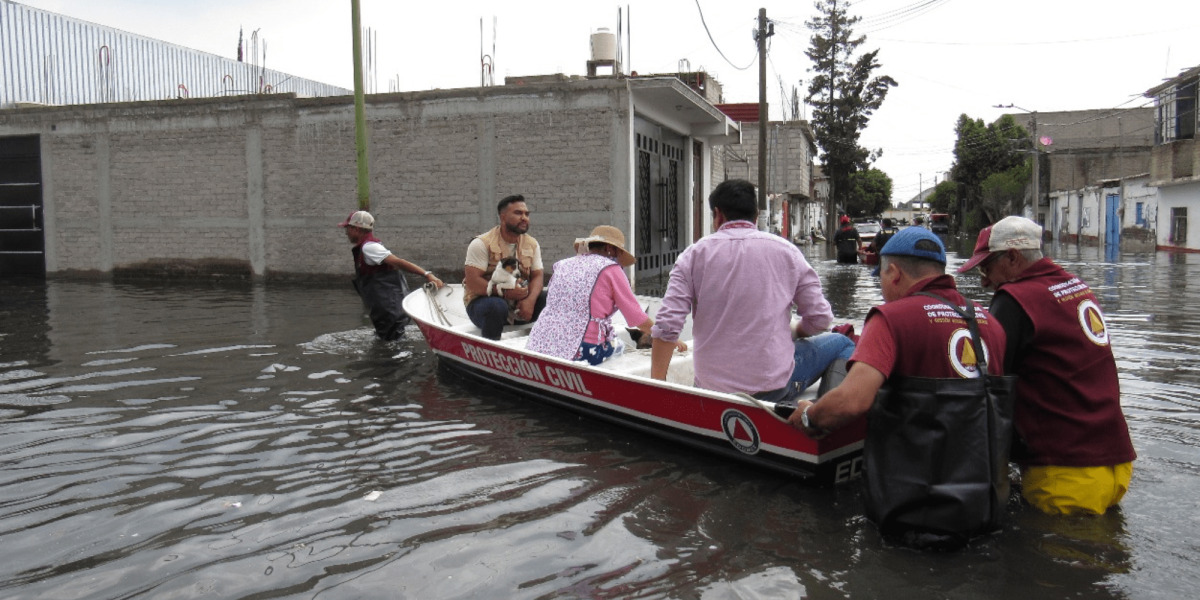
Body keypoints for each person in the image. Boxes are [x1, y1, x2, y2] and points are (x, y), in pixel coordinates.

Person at [789, 227, 1010, 546]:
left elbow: (852, 401)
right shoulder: (988, 322)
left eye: (880, 277)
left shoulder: (891, 319)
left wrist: (810, 417)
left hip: (914, 516)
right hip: (984, 510)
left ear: (893, 272)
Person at [957, 216, 1136, 516]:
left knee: (1055, 555)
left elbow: (989, 382)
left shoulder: (1015, 299)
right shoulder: (1076, 287)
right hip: (1115, 459)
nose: (984, 281)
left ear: (1012, 257)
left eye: (986, 267)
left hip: (1065, 473)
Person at [650, 179, 841, 403]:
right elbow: (820, 318)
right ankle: (826, 412)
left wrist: (656, 389)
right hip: (773, 390)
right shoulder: (788, 252)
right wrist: (799, 330)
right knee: (842, 342)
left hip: (711, 389)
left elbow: (666, 327)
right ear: (756, 216)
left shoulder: (692, 256)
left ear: (718, 214)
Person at [527, 225, 686, 364]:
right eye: (617, 252)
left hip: (540, 342)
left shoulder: (562, 265)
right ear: (610, 249)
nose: (617, 258)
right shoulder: (611, 269)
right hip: (582, 350)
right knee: (620, 346)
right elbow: (637, 318)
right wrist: (668, 338)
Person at [339, 210, 444, 341]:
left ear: (356, 229)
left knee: (392, 346)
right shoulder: (368, 247)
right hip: (387, 309)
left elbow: (398, 262)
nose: (346, 233)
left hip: (389, 310)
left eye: (347, 229)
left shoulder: (369, 248)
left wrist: (427, 274)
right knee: (390, 341)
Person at [463, 194, 547, 340]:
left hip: (519, 303)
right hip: (484, 303)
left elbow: (538, 275)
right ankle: (490, 350)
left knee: (552, 296)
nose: (524, 218)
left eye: (527, 214)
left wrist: (530, 300)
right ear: (502, 218)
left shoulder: (532, 244)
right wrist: (505, 293)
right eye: (518, 213)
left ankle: (543, 347)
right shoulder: (481, 243)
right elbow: (472, 281)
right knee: (497, 306)